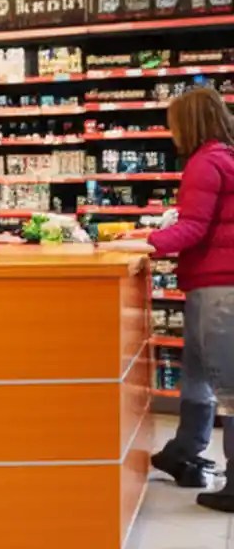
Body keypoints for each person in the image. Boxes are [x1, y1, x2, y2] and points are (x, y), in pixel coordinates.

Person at [123, 87, 234, 509]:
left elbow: (194, 229)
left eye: (173, 124)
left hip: (219, 287)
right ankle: (184, 451)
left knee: (228, 384)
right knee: (199, 376)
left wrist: (146, 241)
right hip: (215, 284)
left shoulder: (205, 163)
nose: (171, 133)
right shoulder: (224, 155)